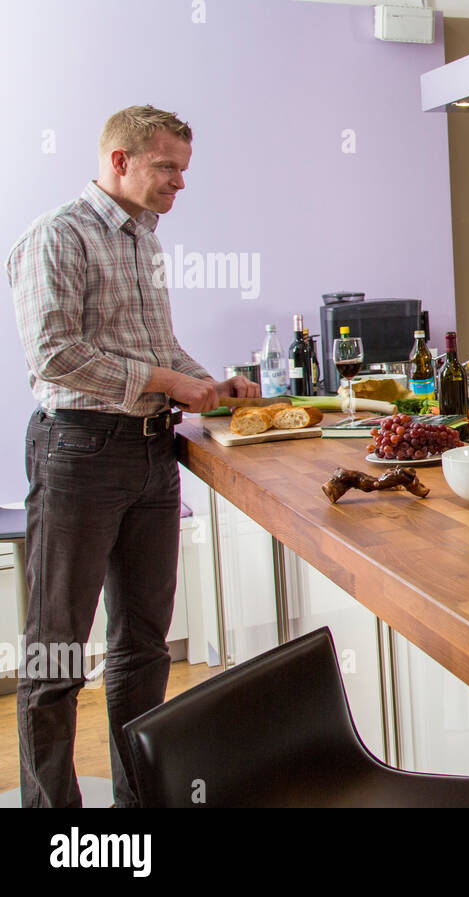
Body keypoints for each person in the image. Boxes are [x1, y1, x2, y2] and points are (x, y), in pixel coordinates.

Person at [7, 105, 259, 807]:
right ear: (119, 160)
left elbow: (158, 352)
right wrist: (167, 381)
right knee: (56, 654)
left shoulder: (144, 242)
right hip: (77, 453)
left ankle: (136, 808)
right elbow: (56, 354)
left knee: (143, 649)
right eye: (166, 168)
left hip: (151, 456)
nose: (179, 185)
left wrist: (209, 384)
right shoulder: (57, 236)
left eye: (183, 169)